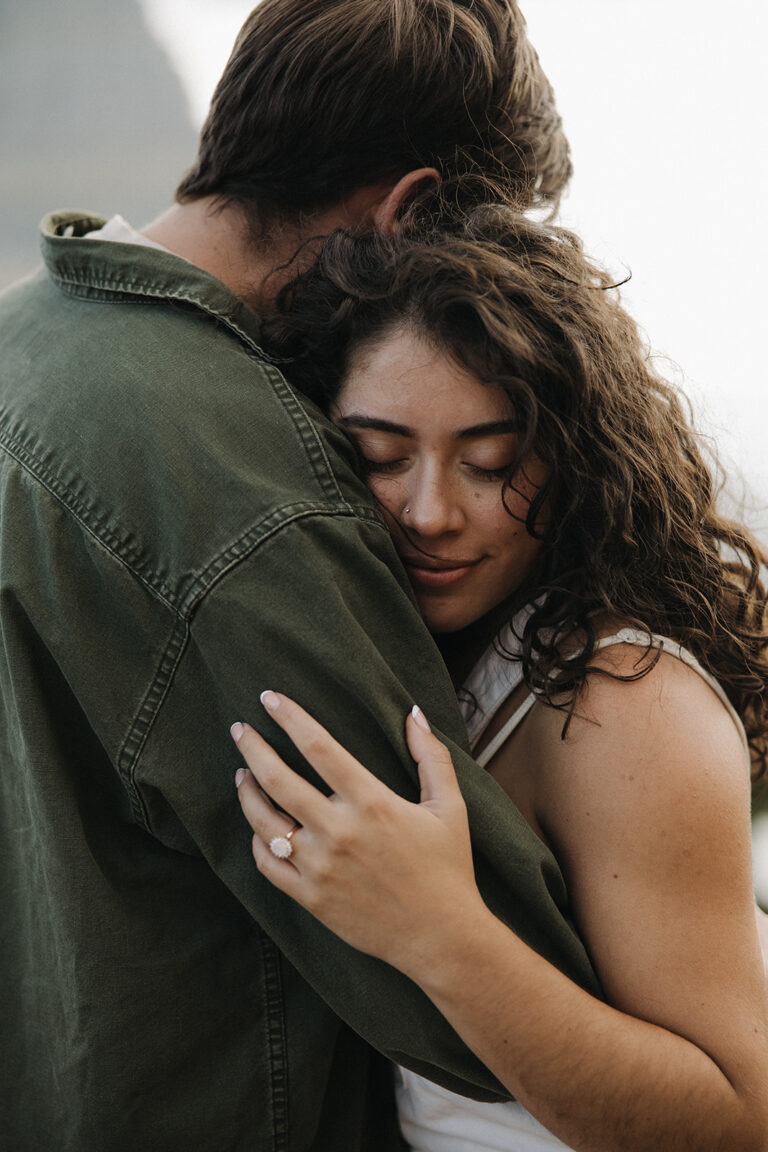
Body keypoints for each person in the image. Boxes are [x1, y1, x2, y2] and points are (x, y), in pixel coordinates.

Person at [0, 3, 598, 1150]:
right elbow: (513, 997)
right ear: (411, 214)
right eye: (473, 251)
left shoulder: (27, 346)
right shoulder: (240, 488)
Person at [232, 205, 768, 1151]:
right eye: (380, 456)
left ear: (573, 461)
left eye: (490, 460)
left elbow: (738, 1118)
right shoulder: (449, 646)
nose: (430, 512)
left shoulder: (625, 703)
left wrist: (435, 929)